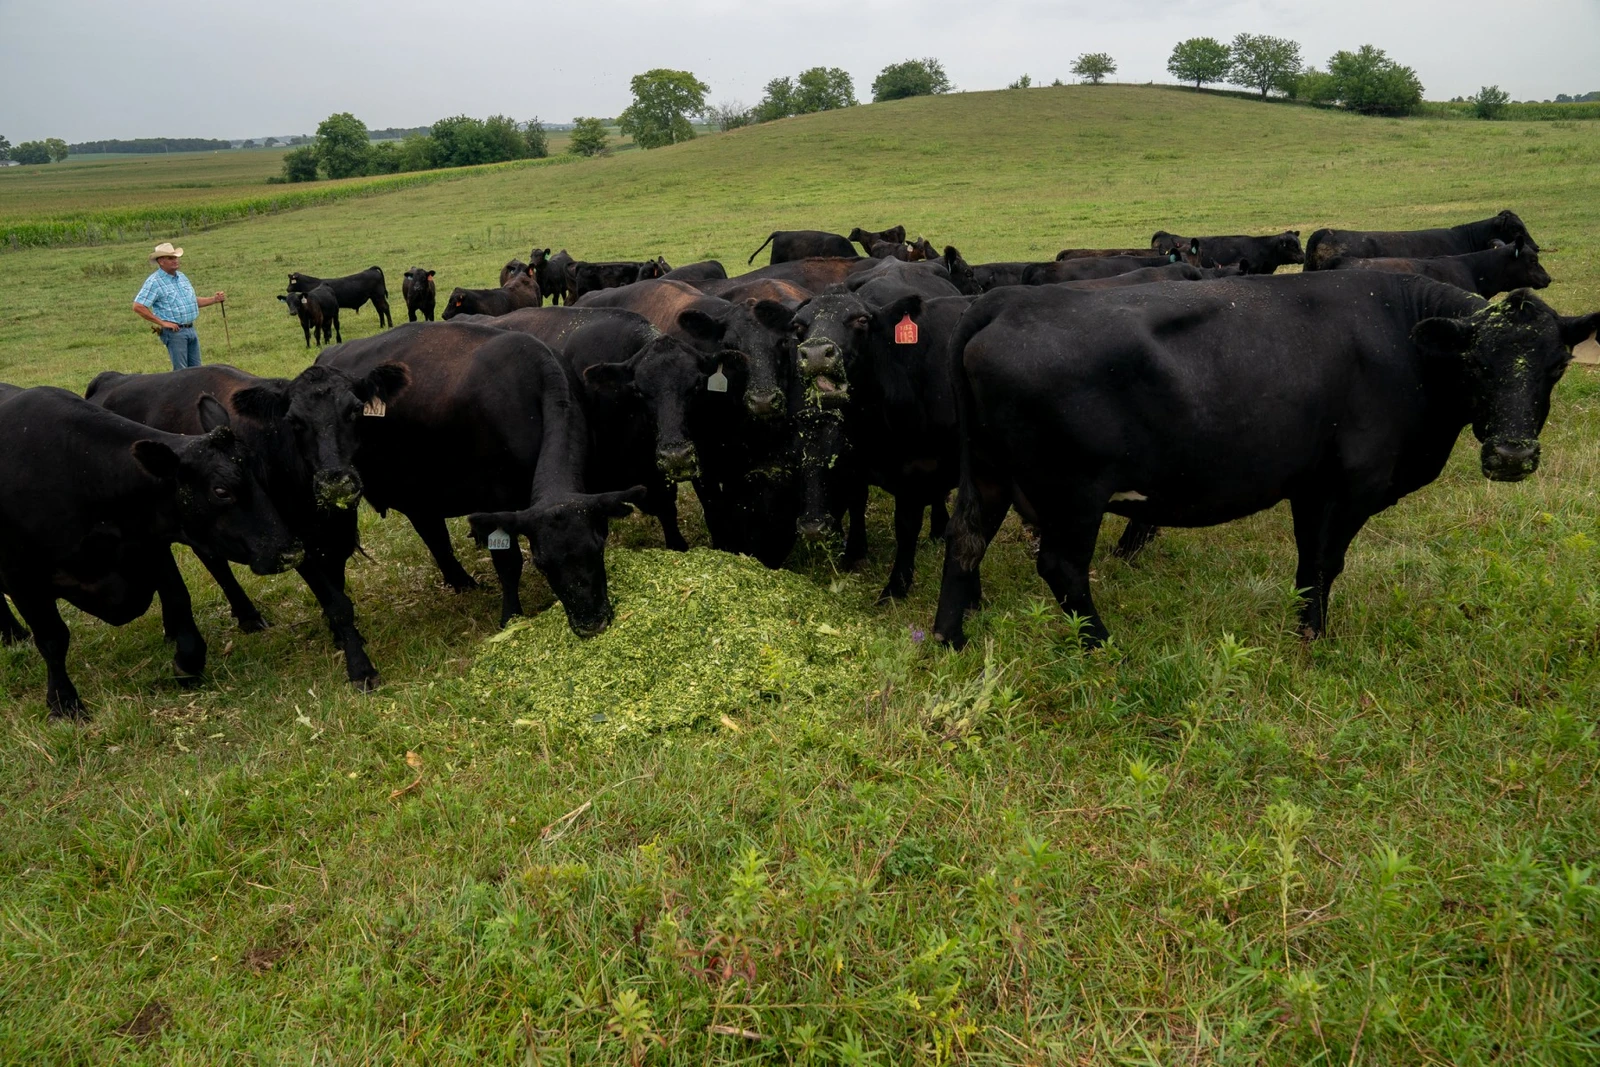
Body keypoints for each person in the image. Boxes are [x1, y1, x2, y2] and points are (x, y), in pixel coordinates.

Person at [132, 242, 225, 370]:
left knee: (197, 370)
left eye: (175, 257)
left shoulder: (182, 277)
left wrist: (214, 299)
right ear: (161, 261)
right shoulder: (154, 282)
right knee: (181, 373)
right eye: (171, 258)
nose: (175, 261)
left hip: (190, 329)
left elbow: (191, 301)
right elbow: (138, 306)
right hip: (174, 332)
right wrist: (163, 323)